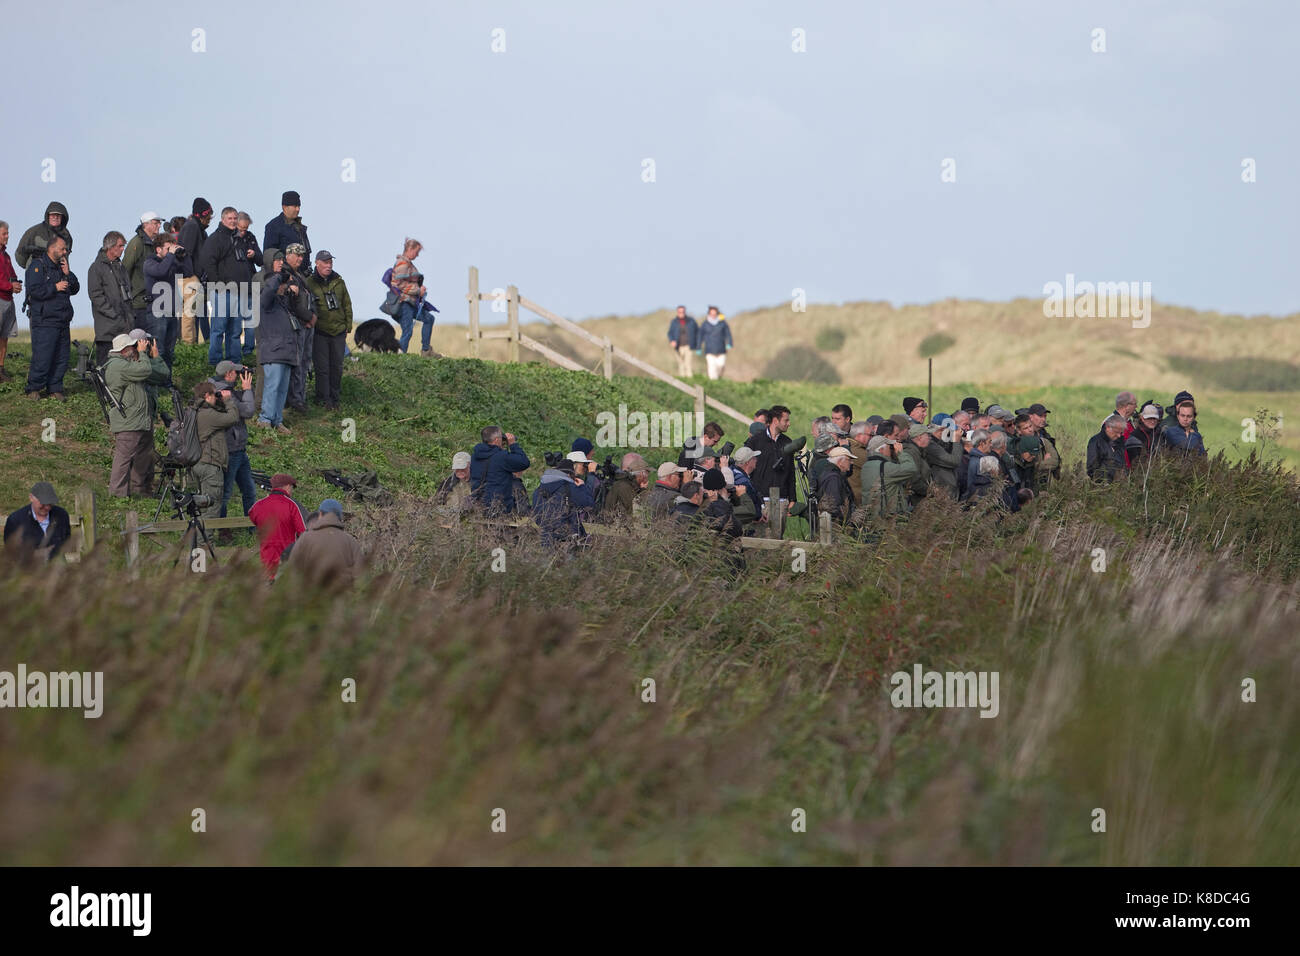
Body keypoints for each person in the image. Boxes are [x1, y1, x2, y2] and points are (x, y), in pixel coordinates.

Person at [104, 333, 170, 497]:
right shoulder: (118, 365)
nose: (136, 349)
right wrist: (141, 353)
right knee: (123, 458)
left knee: (143, 455)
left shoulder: (127, 364)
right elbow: (145, 369)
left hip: (138, 419)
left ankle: (140, 490)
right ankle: (117, 494)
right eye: (133, 346)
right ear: (125, 349)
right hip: (128, 419)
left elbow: (160, 374)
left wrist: (154, 357)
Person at [23, 235, 79, 400]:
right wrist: (54, 287)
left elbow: (75, 288)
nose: (65, 252)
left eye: (65, 249)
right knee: (43, 356)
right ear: (52, 248)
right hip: (45, 320)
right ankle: (34, 388)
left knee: (62, 357)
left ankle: (55, 388)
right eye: (62, 249)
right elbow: (34, 291)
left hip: (62, 320)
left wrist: (68, 274)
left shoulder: (61, 268)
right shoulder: (37, 266)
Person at [253, 249, 299, 434]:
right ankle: (265, 419)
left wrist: (289, 287)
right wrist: (279, 277)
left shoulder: (283, 304)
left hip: (286, 352)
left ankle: (277, 420)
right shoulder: (266, 301)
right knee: (272, 386)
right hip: (273, 350)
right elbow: (270, 289)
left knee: (281, 389)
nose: (283, 287)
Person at [198, 207, 249, 365]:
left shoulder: (238, 238)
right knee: (218, 329)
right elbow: (207, 261)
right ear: (222, 219)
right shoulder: (216, 238)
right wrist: (218, 284)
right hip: (223, 292)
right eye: (230, 218)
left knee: (234, 330)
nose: (233, 221)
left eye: (235, 218)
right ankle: (215, 362)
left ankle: (234, 362)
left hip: (238, 291)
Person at [209, 361, 257, 519]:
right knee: (226, 493)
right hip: (230, 450)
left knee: (249, 490)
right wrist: (247, 389)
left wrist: (246, 389)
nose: (238, 375)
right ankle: (222, 529)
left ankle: (250, 525)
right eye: (235, 372)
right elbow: (248, 411)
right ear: (228, 374)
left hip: (239, 450)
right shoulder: (224, 394)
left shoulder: (220, 389)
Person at [305, 251, 351, 410]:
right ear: (317, 263)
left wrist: (348, 326)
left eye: (330, 262)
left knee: (337, 367)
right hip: (320, 332)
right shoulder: (309, 283)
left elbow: (347, 305)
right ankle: (323, 399)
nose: (329, 265)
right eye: (325, 262)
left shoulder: (339, 282)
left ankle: (335, 398)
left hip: (338, 331)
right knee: (322, 368)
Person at [286, 498, 365, 587]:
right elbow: (360, 576)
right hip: (341, 597)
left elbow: (292, 570)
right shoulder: (350, 541)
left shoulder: (306, 538)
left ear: (320, 514)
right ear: (339, 517)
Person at [191, 381, 241, 519]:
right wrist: (228, 400)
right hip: (210, 465)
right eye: (215, 394)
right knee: (211, 509)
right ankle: (205, 541)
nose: (216, 397)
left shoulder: (196, 410)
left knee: (201, 507)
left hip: (198, 463)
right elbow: (232, 417)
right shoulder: (208, 414)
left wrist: (218, 401)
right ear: (207, 395)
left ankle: (197, 539)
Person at [248, 473, 308, 579]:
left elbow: (252, 516)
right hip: (285, 559)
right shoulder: (291, 505)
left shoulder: (259, 505)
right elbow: (302, 532)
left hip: (266, 558)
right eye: (292, 488)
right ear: (288, 486)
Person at [87, 231, 134, 366]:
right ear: (110, 247)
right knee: (105, 364)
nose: (122, 249)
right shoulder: (96, 268)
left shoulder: (120, 267)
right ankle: (102, 388)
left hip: (124, 326)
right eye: (120, 246)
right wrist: (113, 314)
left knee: (123, 364)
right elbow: (95, 296)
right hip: (107, 328)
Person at [531, 458, 594, 548]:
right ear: (569, 474)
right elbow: (589, 504)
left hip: (545, 537)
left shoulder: (540, 488)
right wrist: (582, 486)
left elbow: (535, 511)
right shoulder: (568, 486)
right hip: (567, 539)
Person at [143, 232, 184, 369]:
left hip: (172, 312)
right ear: (158, 249)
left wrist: (182, 255)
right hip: (157, 313)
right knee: (157, 350)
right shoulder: (150, 263)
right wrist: (171, 256)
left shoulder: (171, 261)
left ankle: (167, 384)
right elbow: (161, 271)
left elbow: (187, 271)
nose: (170, 252)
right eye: (168, 249)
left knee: (169, 352)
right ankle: (155, 385)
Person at [283, 243, 316, 413]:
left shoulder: (300, 275)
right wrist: (309, 317)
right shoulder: (286, 275)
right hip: (297, 325)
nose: (300, 258)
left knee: (305, 362)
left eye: (302, 256)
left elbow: (310, 298)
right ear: (288, 255)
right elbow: (293, 303)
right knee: (297, 363)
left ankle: (300, 397)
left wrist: (313, 316)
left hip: (307, 325)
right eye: (297, 255)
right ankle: (295, 399)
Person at [469, 426, 530, 514]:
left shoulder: (475, 456)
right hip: (498, 508)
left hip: (479, 506)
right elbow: (524, 462)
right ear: (497, 440)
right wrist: (513, 444)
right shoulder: (501, 457)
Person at [3, 482, 71, 561]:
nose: (47, 507)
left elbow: (66, 541)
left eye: (50, 503)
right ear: (31, 497)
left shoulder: (62, 515)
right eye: (43, 503)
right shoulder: (15, 520)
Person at [744, 404, 796, 503]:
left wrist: (793, 499)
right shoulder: (755, 440)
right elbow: (745, 468)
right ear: (776, 421)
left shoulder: (788, 442)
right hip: (759, 499)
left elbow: (791, 472)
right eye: (786, 420)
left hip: (781, 499)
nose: (789, 423)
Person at [178, 198, 214, 343]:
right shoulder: (192, 227)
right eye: (209, 215)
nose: (210, 219)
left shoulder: (197, 228)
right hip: (189, 277)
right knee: (190, 313)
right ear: (202, 215)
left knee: (195, 313)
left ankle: (192, 344)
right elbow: (186, 254)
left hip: (194, 277)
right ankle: (188, 345)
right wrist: (192, 275)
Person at [389, 238, 433, 355]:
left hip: (410, 302)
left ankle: (425, 350)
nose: (417, 255)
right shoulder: (402, 264)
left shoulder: (407, 263)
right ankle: (400, 355)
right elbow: (399, 284)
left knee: (429, 319)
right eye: (417, 251)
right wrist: (418, 290)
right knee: (408, 330)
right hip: (404, 303)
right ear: (410, 249)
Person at [859, 434, 918, 517]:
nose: (891, 450)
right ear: (881, 450)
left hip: (873, 514)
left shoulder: (866, 466)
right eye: (889, 447)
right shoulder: (885, 467)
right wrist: (901, 453)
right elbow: (911, 468)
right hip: (889, 516)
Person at [122, 212, 163, 329]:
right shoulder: (136, 243)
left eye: (159, 223)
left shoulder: (152, 243)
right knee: (141, 338)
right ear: (146, 225)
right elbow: (125, 270)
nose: (159, 226)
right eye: (156, 223)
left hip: (151, 300)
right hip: (138, 301)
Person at [231, 213, 262, 356]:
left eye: (246, 228)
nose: (243, 231)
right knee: (236, 322)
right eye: (241, 228)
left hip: (250, 283)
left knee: (251, 321)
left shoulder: (251, 237)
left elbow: (261, 260)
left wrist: (254, 254)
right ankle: (235, 352)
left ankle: (249, 351)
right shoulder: (229, 238)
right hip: (236, 285)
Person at [15, 201, 72, 269]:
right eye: (52, 215)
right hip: (37, 274)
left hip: (58, 275)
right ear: (48, 216)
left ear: (63, 217)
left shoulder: (66, 236)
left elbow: (66, 257)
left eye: (58, 215)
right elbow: (20, 255)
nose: (55, 217)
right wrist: (31, 267)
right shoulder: (34, 232)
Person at [263, 190, 311, 263]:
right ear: (284, 207)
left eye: (299, 206)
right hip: (284, 272)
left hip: (302, 272)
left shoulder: (300, 227)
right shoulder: (273, 226)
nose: (298, 209)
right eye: (295, 206)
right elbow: (269, 255)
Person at [923, 417, 963, 499]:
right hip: (940, 494)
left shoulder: (940, 442)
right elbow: (954, 461)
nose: (951, 434)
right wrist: (956, 441)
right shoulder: (930, 446)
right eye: (950, 431)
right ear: (941, 430)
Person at [817, 446, 857, 525]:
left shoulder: (830, 474)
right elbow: (833, 504)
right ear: (840, 461)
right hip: (836, 526)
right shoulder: (834, 478)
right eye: (849, 459)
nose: (852, 462)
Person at [603, 453, 649, 518]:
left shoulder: (622, 483)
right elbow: (637, 513)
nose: (645, 475)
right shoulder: (624, 486)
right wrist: (643, 491)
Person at [898, 423, 933, 508]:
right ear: (919, 437)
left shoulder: (918, 451)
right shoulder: (912, 452)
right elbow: (913, 480)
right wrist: (931, 492)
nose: (930, 438)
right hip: (915, 502)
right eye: (927, 435)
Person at [0, 220, 18, 381]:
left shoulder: (6, 256)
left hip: (8, 299)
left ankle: (1, 368)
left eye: (7, 233)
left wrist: (16, 283)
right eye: (4, 233)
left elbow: (12, 274)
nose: (7, 236)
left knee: (4, 335)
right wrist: (10, 286)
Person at [1087, 415, 1128, 481]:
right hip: (1102, 485)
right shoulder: (1095, 442)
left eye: (1121, 433)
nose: (1119, 435)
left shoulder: (1120, 442)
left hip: (1119, 485)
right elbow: (1092, 468)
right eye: (1116, 432)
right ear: (1108, 427)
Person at [697, 306, 733, 380]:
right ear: (709, 314)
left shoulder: (723, 323)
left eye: (714, 313)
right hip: (709, 349)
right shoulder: (705, 324)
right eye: (711, 313)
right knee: (711, 366)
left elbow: (728, 334)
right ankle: (713, 381)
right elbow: (700, 336)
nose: (713, 315)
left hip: (721, 349)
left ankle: (718, 377)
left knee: (721, 365)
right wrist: (698, 347)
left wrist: (729, 343)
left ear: (717, 314)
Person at [435, 451, 474, 516]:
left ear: (469, 465)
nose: (460, 471)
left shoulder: (477, 483)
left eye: (462, 468)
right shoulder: (447, 483)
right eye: (457, 468)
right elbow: (437, 502)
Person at [667, 305, 698, 376]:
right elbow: (670, 333)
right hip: (678, 346)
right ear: (677, 312)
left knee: (688, 363)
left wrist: (696, 343)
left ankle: (690, 379)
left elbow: (697, 331)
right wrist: (672, 341)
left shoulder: (691, 321)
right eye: (679, 312)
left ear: (685, 312)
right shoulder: (674, 322)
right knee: (681, 363)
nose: (681, 313)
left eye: (682, 312)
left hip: (689, 346)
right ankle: (682, 379)